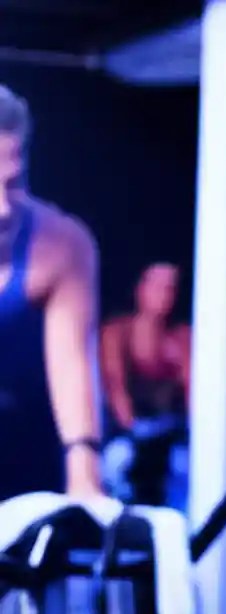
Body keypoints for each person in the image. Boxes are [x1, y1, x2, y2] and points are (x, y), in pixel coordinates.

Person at [0, 83, 103, 502]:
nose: (3, 208)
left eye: (13, 183)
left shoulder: (62, 244)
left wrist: (86, 484)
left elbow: (72, 365)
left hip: (27, 450)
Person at [100, 262, 191, 506]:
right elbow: (115, 387)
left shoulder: (182, 337)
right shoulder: (118, 332)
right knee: (117, 463)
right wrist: (135, 435)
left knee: (185, 469)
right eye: (158, 286)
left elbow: (192, 396)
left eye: (171, 288)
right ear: (141, 289)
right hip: (127, 436)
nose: (165, 294)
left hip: (171, 436)